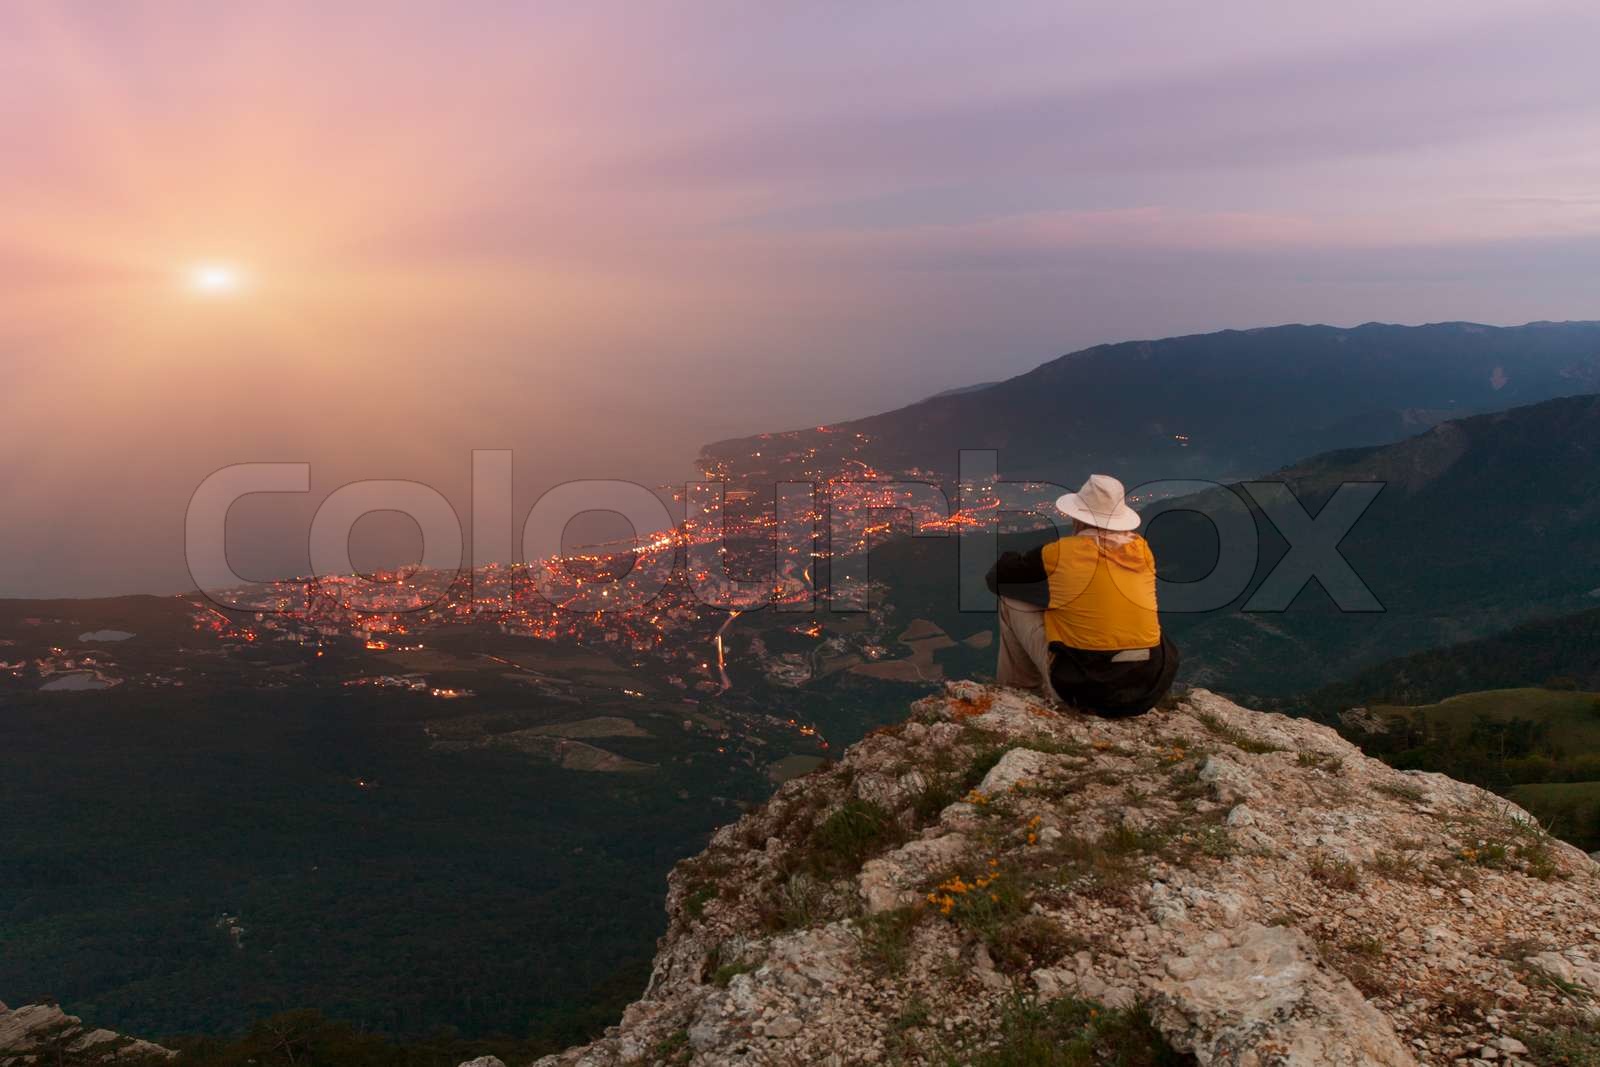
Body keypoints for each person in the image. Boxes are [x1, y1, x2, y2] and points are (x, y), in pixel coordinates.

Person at [986, 473, 1178, 717]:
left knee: (1011, 602)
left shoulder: (1061, 554)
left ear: (1078, 517)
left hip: (1085, 691)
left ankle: (1017, 695)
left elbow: (996, 579)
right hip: (1146, 690)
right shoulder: (1142, 551)